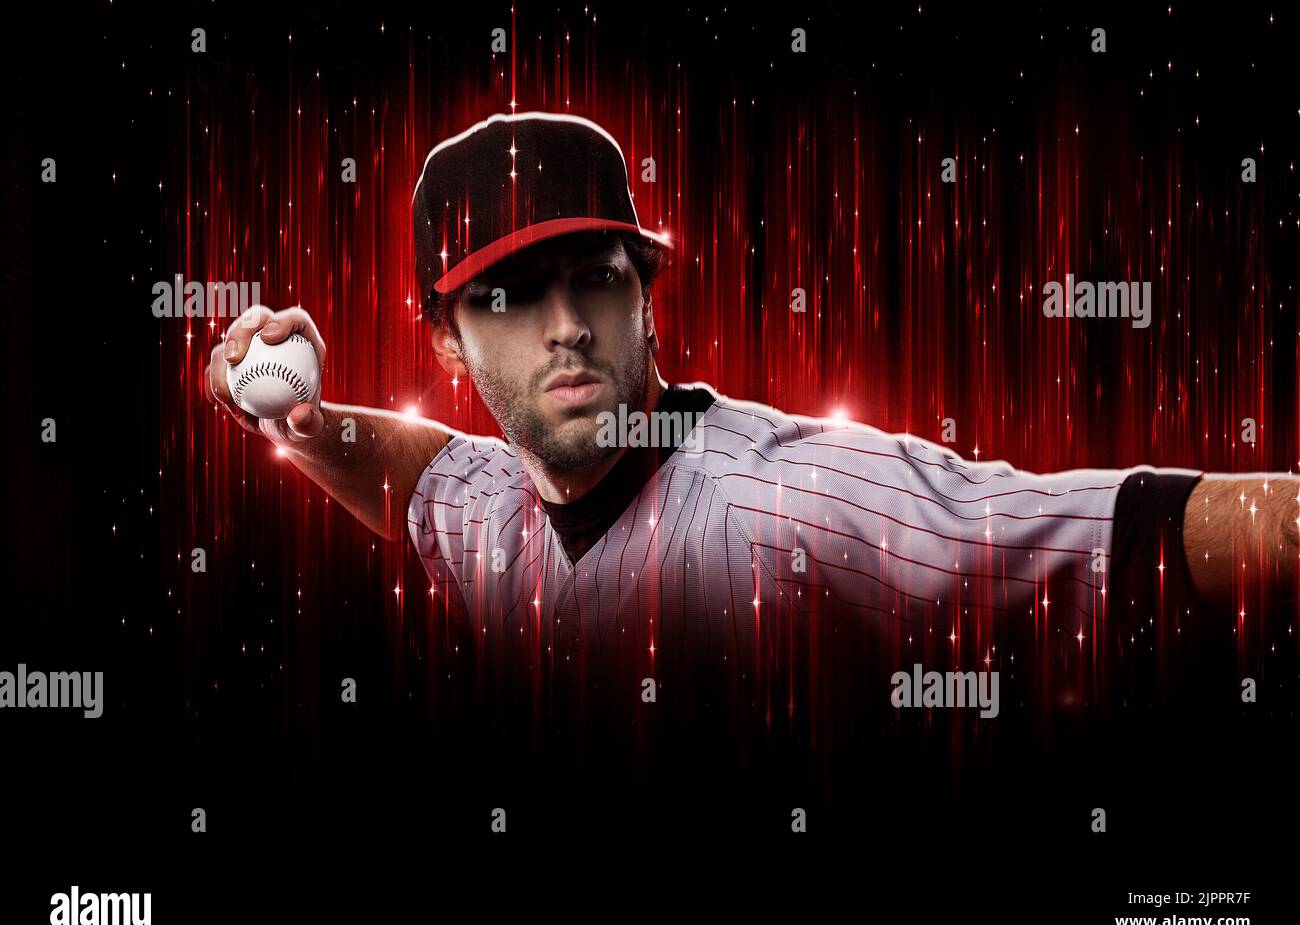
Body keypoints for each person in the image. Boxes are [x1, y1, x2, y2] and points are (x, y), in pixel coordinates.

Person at [204, 111, 1295, 653]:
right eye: (508, 299)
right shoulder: (490, 509)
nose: (568, 329)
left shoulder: (792, 499)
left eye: (595, 278)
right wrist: (296, 418)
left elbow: (1087, 526)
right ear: (445, 343)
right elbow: (413, 473)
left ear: (647, 290)